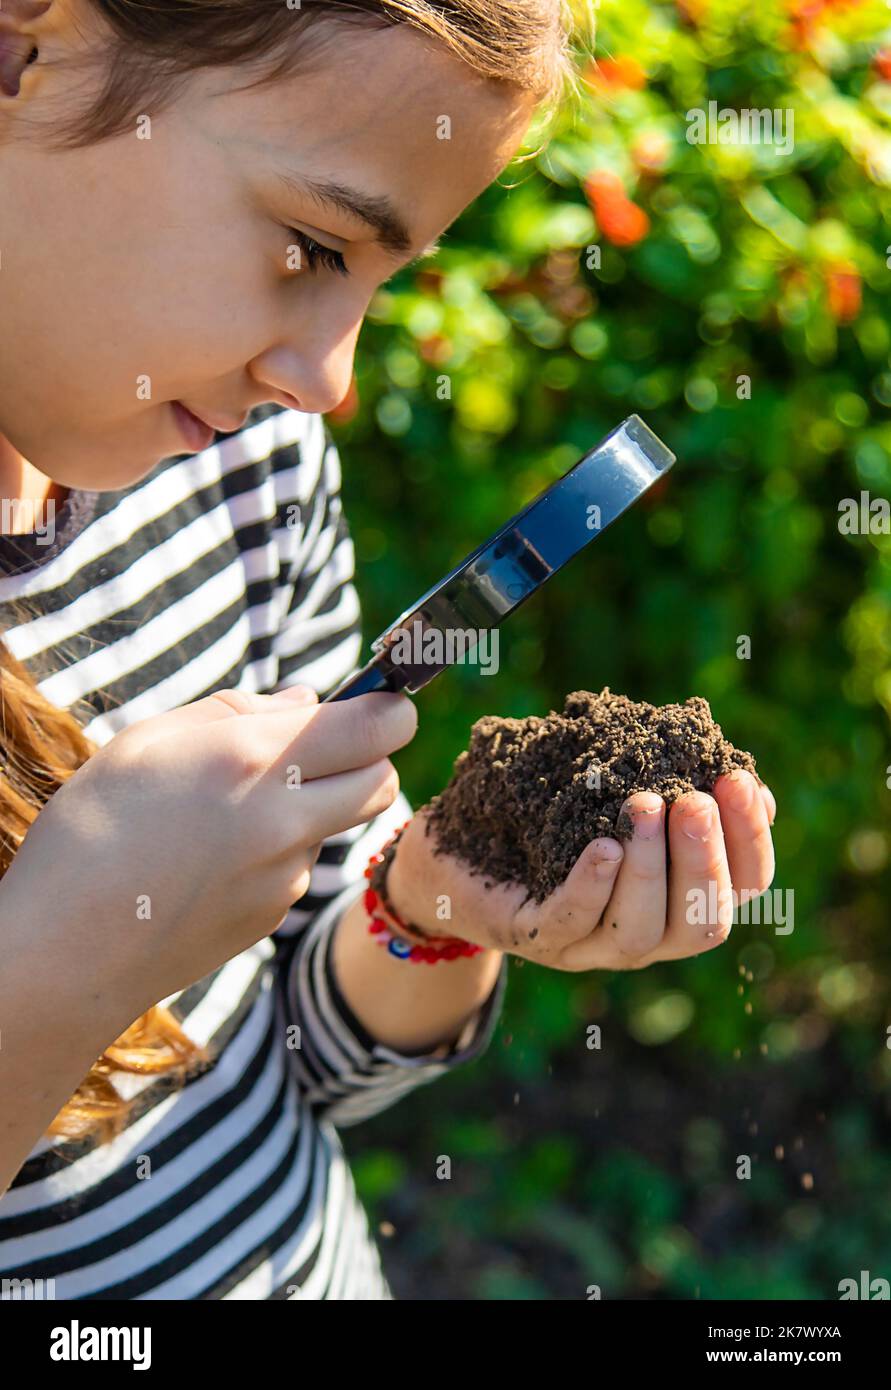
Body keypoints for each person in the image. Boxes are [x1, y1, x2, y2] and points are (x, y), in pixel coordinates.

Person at [0, 0, 775, 1299]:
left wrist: (432, 906)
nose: (326, 378)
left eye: (380, 279)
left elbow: (295, 1050)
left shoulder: (246, 472)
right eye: (311, 246)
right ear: (30, 46)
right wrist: (63, 958)